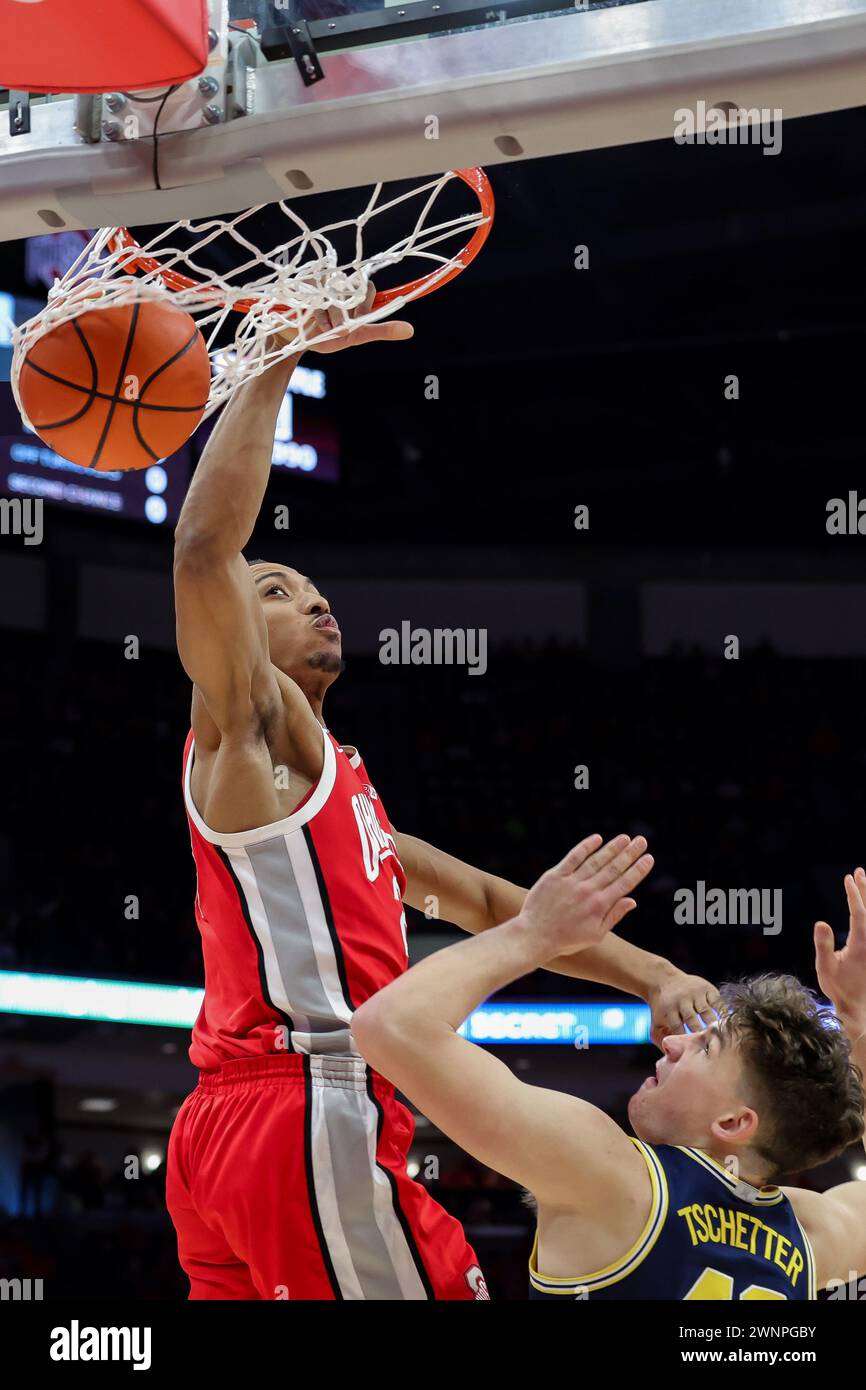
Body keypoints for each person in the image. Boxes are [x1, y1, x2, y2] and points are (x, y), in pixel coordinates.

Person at [165, 303, 719, 1300]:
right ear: (234, 636)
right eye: (279, 589)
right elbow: (204, 551)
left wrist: (655, 972)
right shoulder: (247, 727)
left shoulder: (341, 791)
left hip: (227, 1134)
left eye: (313, 585)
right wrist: (275, 359)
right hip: (306, 1108)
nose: (314, 598)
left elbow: (488, 902)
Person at [353, 836, 866, 1300]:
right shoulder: (810, 1236)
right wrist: (859, 1029)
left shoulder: (618, 1179)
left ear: (733, 1123)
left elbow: (387, 1025)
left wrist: (532, 936)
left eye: (706, 1049)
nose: (674, 1044)